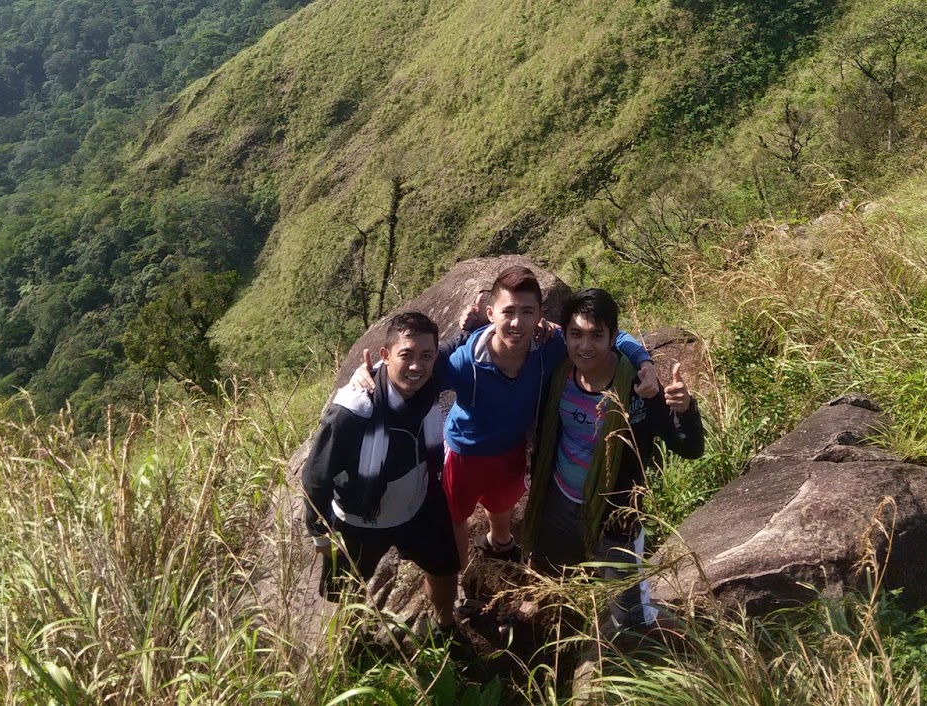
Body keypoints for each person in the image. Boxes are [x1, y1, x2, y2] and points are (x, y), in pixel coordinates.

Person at [438, 267, 658, 572]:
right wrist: (373, 378)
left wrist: (644, 361)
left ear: (541, 314)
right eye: (508, 311)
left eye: (527, 311)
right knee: (454, 517)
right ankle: (460, 575)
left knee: (502, 504)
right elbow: (423, 371)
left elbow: (610, 335)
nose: (517, 322)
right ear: (491, 313)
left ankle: (500, 544)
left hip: (511, 448)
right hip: (465, 452)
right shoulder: (466, 361)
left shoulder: (552, 346)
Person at [520, 287, 704, 632]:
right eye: (576, 334)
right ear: (565, 335)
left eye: (596, 336)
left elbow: (690, 448)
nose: (585, 346)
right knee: (551, 578)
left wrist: (684, 409)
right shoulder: (559, 375)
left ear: (613, 338)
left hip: (616, 515)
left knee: (630, 614)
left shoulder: (639, 388)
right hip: (559, 498)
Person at [301, 310, 459, 630]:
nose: (417, 365)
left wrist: (473, 322)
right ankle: (353, 643)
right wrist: (321, 535)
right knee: (347, 593)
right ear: (385, 355)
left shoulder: (428, 377)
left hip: (419, 503)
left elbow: (455, 345)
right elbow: (315, 478)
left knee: (444, 568)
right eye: (406, 355)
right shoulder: (353, 409)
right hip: (360, 518)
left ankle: (444, 623)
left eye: (425, 355)